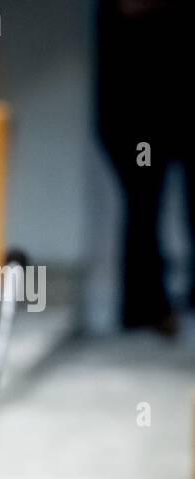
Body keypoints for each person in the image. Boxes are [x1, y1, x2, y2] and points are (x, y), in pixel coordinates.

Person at [95, 0, 194, 335]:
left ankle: (156, 304)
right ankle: (145, 306)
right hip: (136, 121)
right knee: (143, 204)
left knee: (154, 205)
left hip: (169, 110)